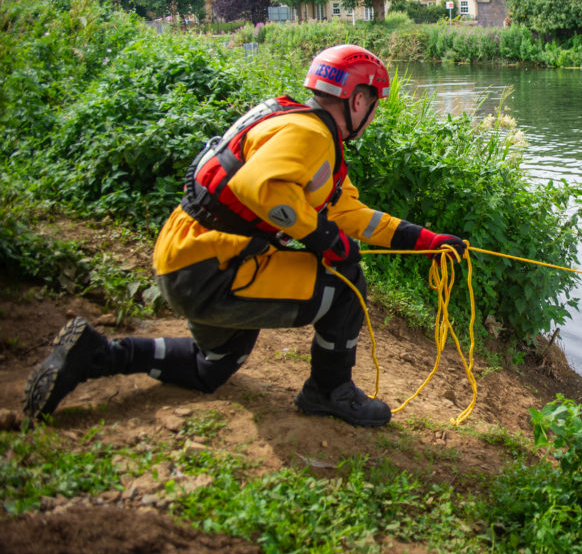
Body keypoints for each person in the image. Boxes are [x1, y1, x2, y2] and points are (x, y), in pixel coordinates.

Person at [23, 44, 466, 428]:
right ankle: (329, 391)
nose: (372, 115)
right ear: (358, 98)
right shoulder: (311, 136)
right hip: (211, 271)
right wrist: (323, 239)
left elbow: (351, 213)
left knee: (209, 368)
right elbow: (258, 187)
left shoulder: (292, 121)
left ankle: (99, 354)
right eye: (373, 102)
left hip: (185, 259)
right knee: (345, 280)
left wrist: (426, 241)